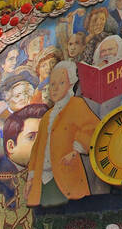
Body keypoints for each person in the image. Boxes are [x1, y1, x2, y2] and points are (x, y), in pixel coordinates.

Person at [28, 62, 101, 206]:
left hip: (67, 176)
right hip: (42, 181)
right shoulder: (46, 117)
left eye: (61, 83)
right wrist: (31, 177)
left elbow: (93, 128)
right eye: (52, 85)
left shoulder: (76, 105)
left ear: (70, 84)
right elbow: (36, 150)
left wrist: (77, 149)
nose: (55, 89)